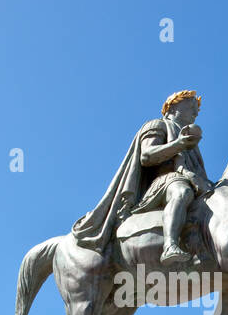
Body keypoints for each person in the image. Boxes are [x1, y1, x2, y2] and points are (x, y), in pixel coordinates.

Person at [71, 89, 209, 264]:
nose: (196, 112)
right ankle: (170, 245)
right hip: (163, 182)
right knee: (181, 192)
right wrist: (178, 144)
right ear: (173, 108)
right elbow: (147, 156)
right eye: (191, 106)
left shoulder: (189, 139)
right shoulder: (157, 125)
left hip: (189, 179)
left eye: (196, 109)